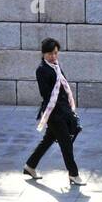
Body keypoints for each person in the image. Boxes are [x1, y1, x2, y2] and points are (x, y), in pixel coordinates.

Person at [23, 38, 84, 186]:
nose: (53, 56)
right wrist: (61, 107)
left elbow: (63, 88)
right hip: (53, 113)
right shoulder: (42, 70)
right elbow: (45, 93)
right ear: (44, 53)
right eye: (50, 53)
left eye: (55, 53)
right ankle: (73, 174)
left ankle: (30, 166)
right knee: (65, 143)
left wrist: (67, 109)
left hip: (62, 111)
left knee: (48, 140)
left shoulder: (56, 66)